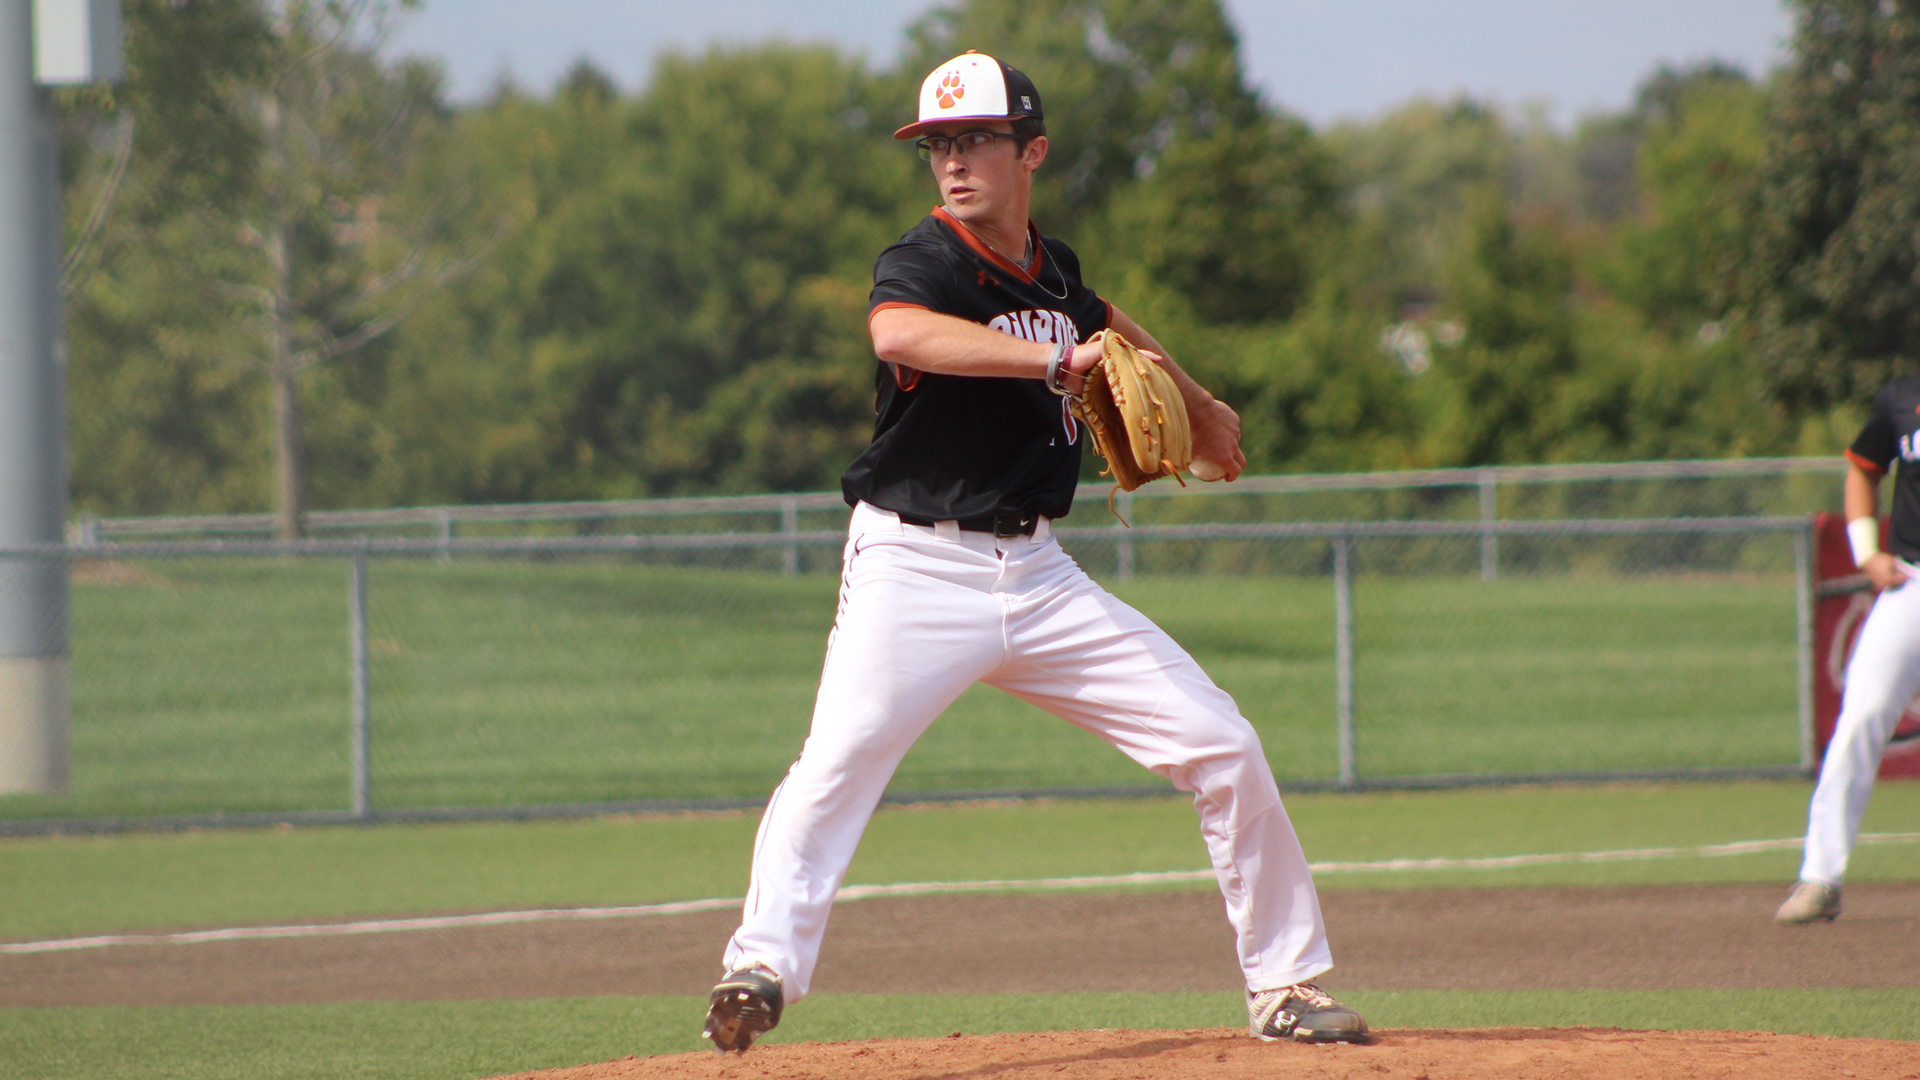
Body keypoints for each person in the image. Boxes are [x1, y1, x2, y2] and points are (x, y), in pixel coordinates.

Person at [701, 51, 1368, 1051]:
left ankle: (1286, 990)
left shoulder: (1054, 272)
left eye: (976, 141)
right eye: (938, 145)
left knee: (1222, 743)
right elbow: (900, 336)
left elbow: (1110, 325)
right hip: (913, 568)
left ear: (1032, 151)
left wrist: (1200, 403)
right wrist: (1057, 359)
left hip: (1042, 576)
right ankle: (759, 967)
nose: (954, 162)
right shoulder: (926, 260)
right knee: (835, 763)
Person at [1777, 374, 1920, 924]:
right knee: (1860, 718)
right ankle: (1821, 877)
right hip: (1909, 585)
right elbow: (1864, 468)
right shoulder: (1903, 397)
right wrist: (1865, 552)